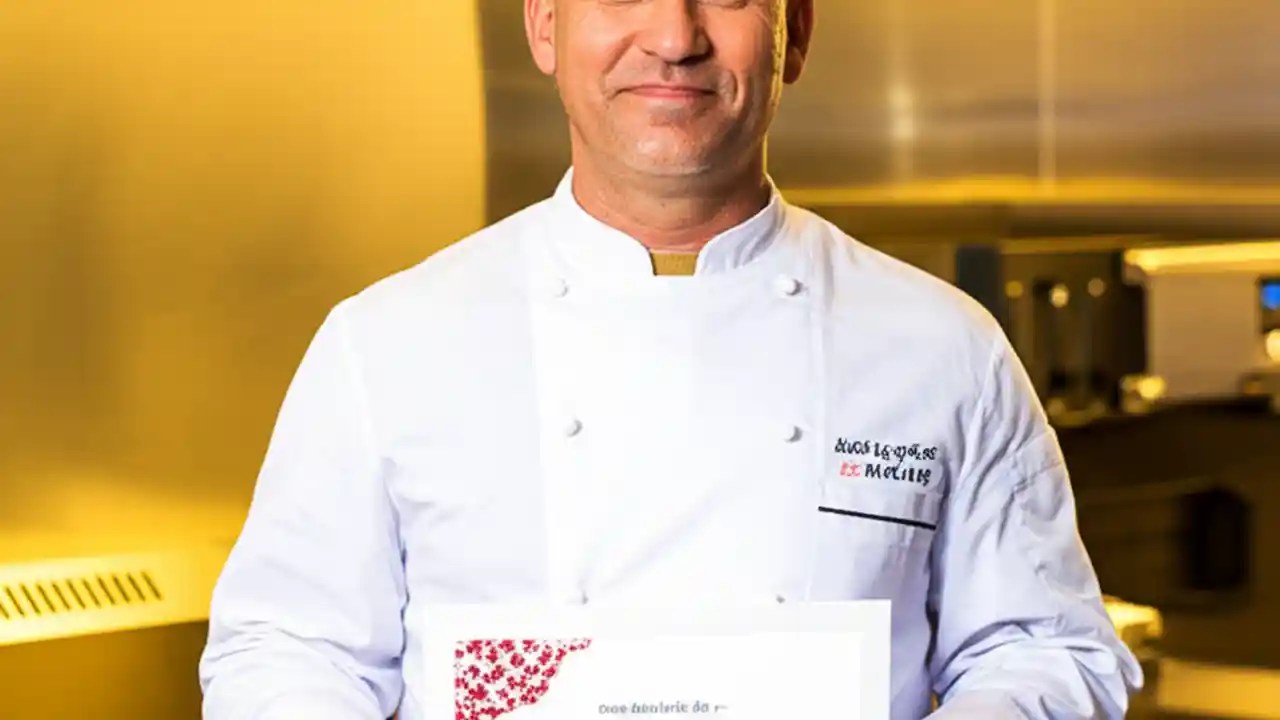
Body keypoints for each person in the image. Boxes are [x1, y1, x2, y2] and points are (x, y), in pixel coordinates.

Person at [199, 0, 1142, 718]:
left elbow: (1047, 647)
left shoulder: (944, 347)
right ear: (542, 25)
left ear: (795, 32)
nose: (674, 37)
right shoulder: (388, 343)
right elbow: (286, 650)